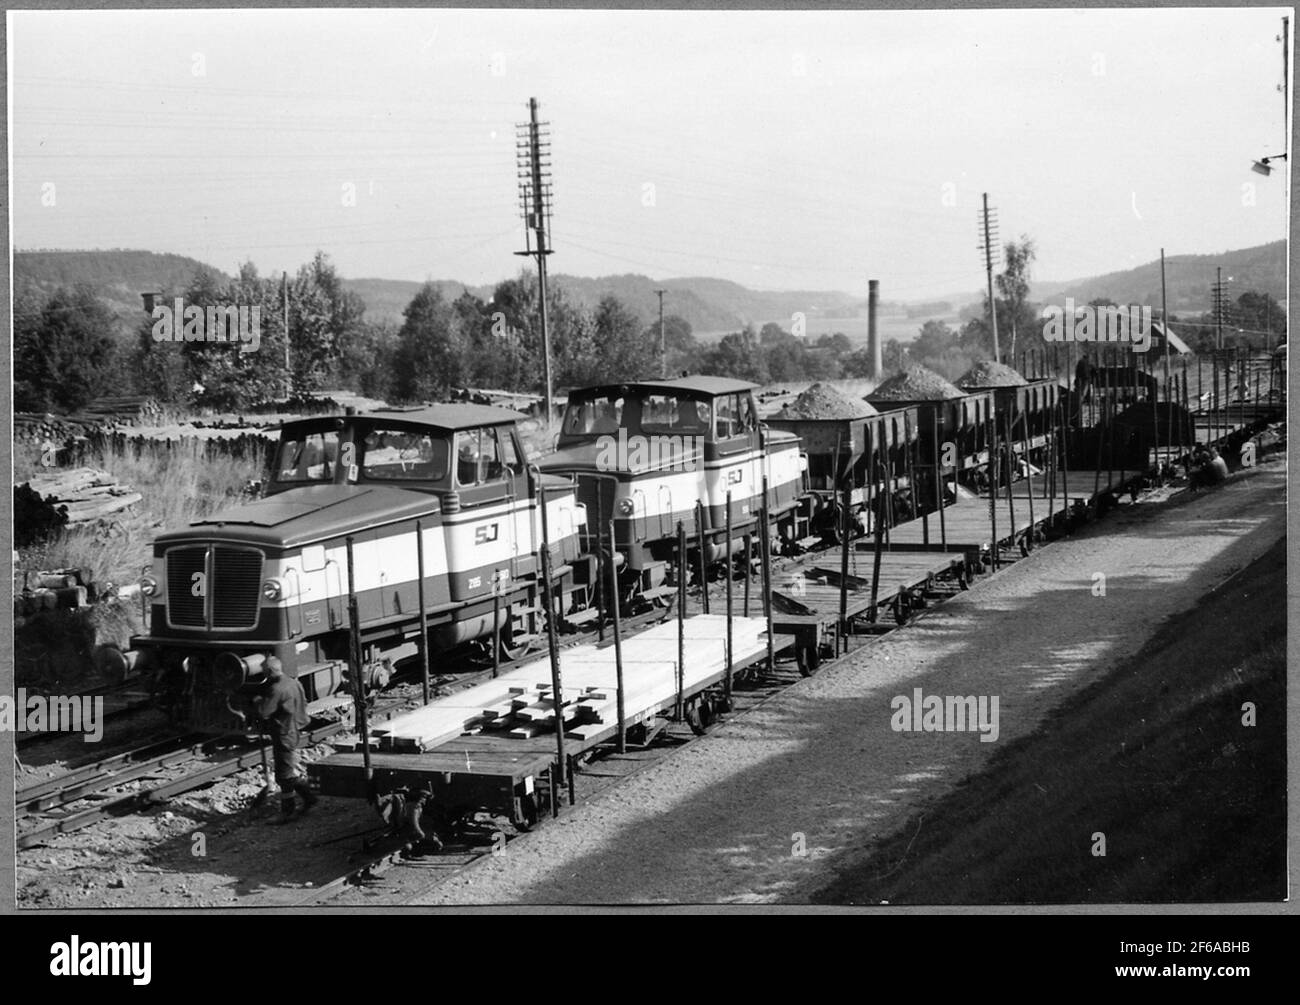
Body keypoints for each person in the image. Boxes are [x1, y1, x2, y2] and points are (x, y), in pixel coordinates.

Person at [253, 656, 317, 823]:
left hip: (283, 733)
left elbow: (264, 712)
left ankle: (287, 811)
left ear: (269, 671)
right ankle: (309, 798)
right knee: (286, 771)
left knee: (284, 776)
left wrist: (257, 700)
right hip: (292, 729)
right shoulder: (293, 682)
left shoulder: (277, 689)